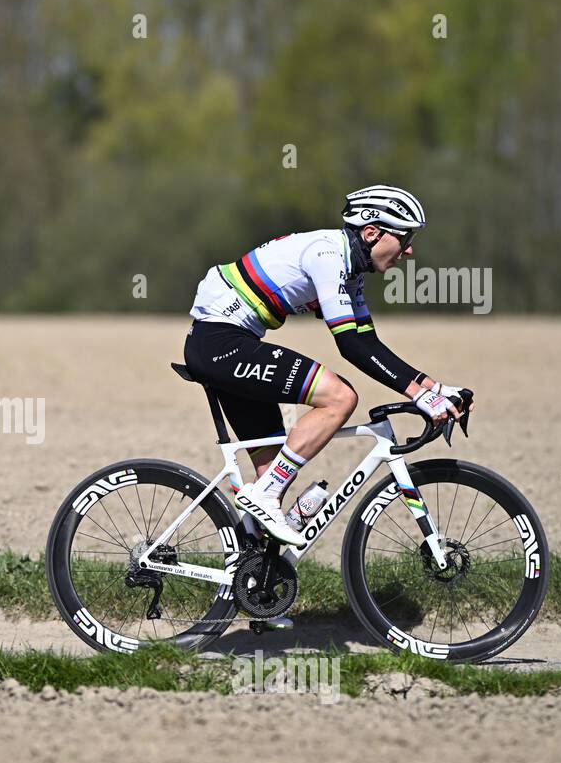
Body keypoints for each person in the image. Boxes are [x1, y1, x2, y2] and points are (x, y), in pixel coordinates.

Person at [183, 185, 469, 559]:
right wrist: (420, 396)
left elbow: (368, 342)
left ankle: (256, 593)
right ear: (371, 233)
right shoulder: (327, 254)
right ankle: (264, 494)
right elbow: (348, 344)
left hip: (228, 343)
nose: (409, 250)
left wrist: (436, 388)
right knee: (340, 397)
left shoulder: (351, 271)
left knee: (276, 472)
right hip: (221, 343)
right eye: (405, 238)